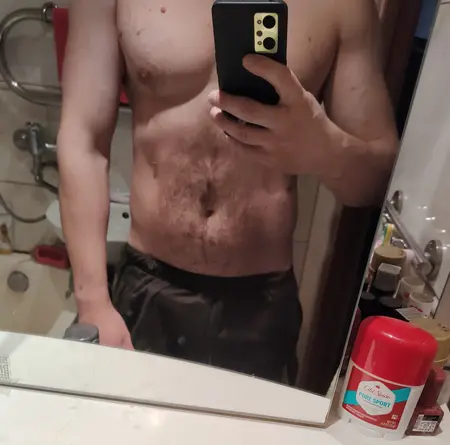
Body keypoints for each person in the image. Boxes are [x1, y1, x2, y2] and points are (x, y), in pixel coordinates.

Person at [58, 0, 398, 383]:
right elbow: (82, 140)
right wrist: (92, 302)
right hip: (146, 285)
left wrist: (324, 149)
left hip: (260, 305)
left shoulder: (344, 5)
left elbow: (376, 183)